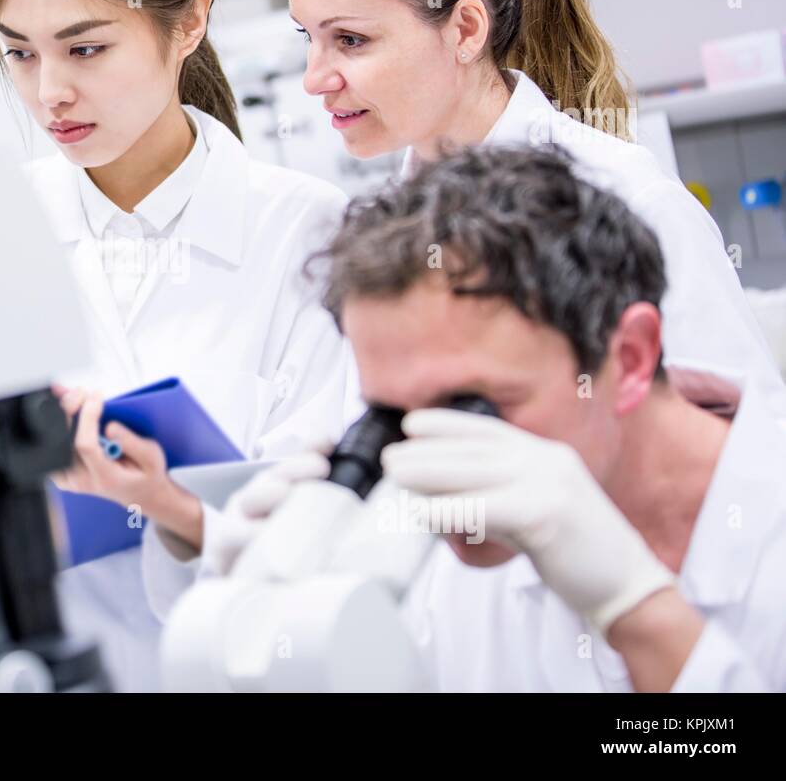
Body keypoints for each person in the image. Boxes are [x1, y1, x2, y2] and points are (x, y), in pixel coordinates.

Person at [0, 0, 356, 691]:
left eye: (85, 48)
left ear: (187, 22)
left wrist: (175, 512)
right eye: (19, 53)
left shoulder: (308, 232)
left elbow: (328, 533)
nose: (50, 93)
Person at [220, 145, 786, 691]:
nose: (430, 460)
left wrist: (639, 613)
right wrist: (256, 618)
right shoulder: (441, 565)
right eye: (391, 419)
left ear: (631, 358)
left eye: (474, 408)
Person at [286, 0, 786, 416]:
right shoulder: (379, 236)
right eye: (307, 36)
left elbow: (753, 447)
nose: (314, 78)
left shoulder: (627, 198)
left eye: (351, 39)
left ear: (466, 29)